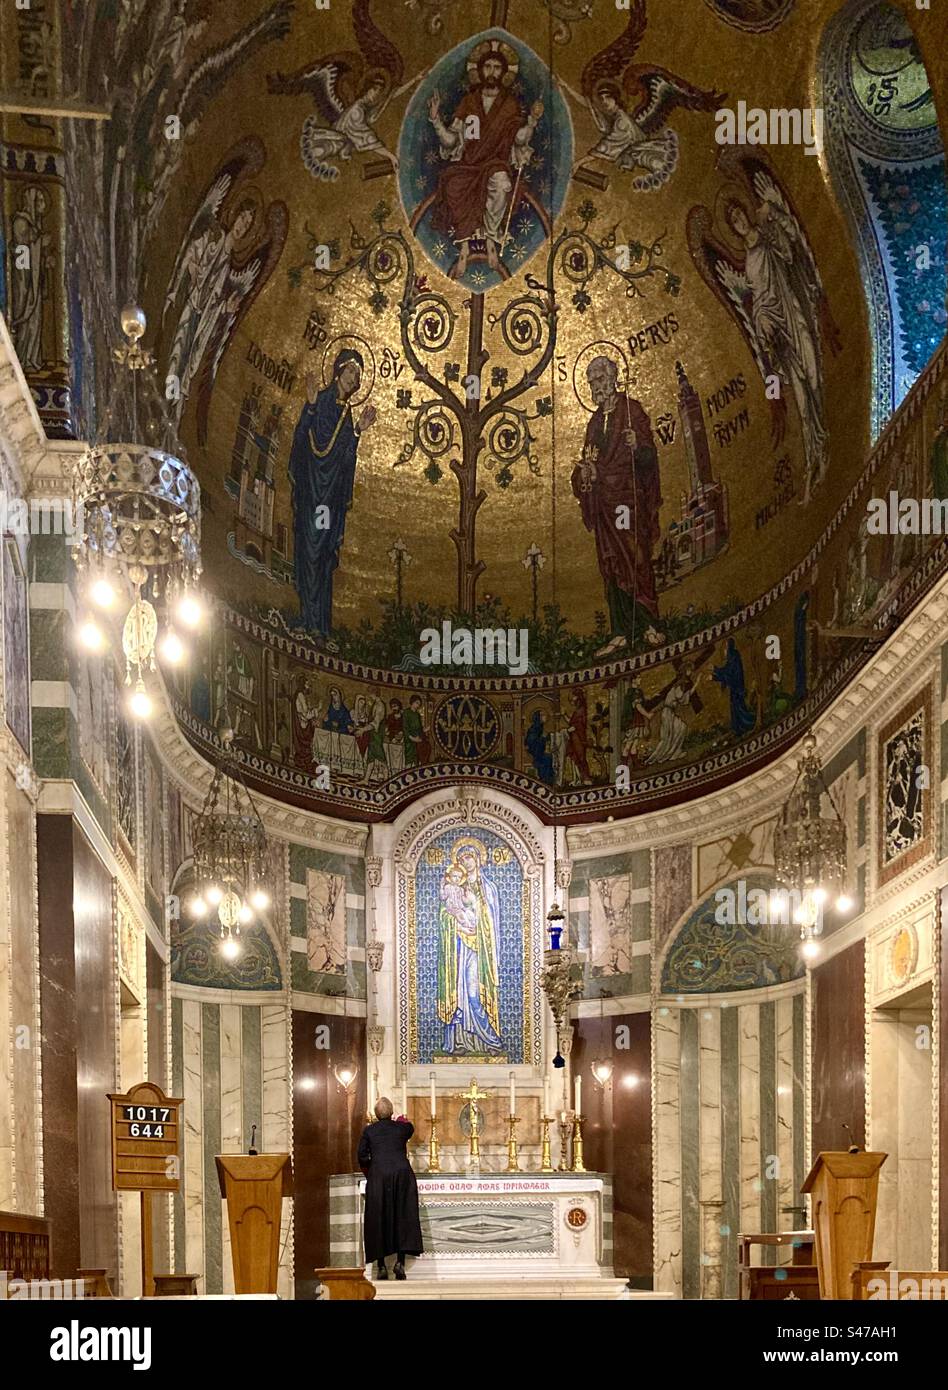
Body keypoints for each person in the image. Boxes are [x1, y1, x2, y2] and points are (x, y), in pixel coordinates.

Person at [357, 1096, 423, 1281]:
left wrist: (372, 1169)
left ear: (376, 1115)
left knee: (378, 1217)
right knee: (402, 1215)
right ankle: (400, 1263)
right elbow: (410, 1127)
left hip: (379, 1175)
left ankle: (381, 1266)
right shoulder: (401, 1129)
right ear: (392, 1112)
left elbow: (361, 1156)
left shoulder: (369, 1131)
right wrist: (401, 1119)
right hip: (402, 1174)